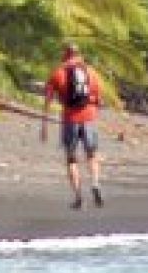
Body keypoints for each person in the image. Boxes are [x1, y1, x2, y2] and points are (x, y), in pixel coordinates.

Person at [41, 42, 104, 209]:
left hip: (70, 119)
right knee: (92, 154)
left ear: (65, 54)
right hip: (89, 117)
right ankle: (95, 184)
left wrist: (44, 125)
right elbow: (99, 99)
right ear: (79, 54)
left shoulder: (58, 73)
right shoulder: (91, 72)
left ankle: (78, 197)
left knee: (71, 159)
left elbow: (47, 100)